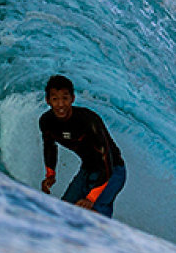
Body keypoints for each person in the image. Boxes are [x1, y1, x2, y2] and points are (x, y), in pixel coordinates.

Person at [39, 75, 127, 217]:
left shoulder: (88, 121)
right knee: (63, 210)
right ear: (48, 101)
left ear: (72, 99)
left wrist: (91, 198)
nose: (60, 104)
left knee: (93, 213)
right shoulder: (46, 121)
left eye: (65, 98)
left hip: (112, 171)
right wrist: (50, 175)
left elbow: (106, 160)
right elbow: (49, 146)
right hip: (87, 170)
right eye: (55, 99)